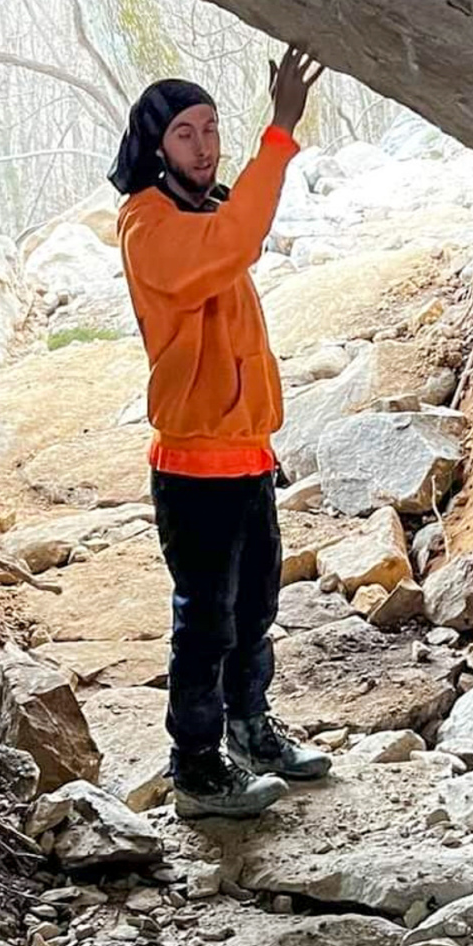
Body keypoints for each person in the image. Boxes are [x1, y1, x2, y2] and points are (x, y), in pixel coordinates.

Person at [110, 48, 334, 820]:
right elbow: (238, 243)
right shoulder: (149, 224)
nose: (203, 146)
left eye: (210, 129)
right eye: (183, 134)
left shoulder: (204, 212)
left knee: (252, 610)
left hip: (244, 458)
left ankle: (250, 732)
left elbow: (238, 233)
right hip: (192, 467)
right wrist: (279, 132)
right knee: (204, 622)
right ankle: (197, 770)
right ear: (153, 147)